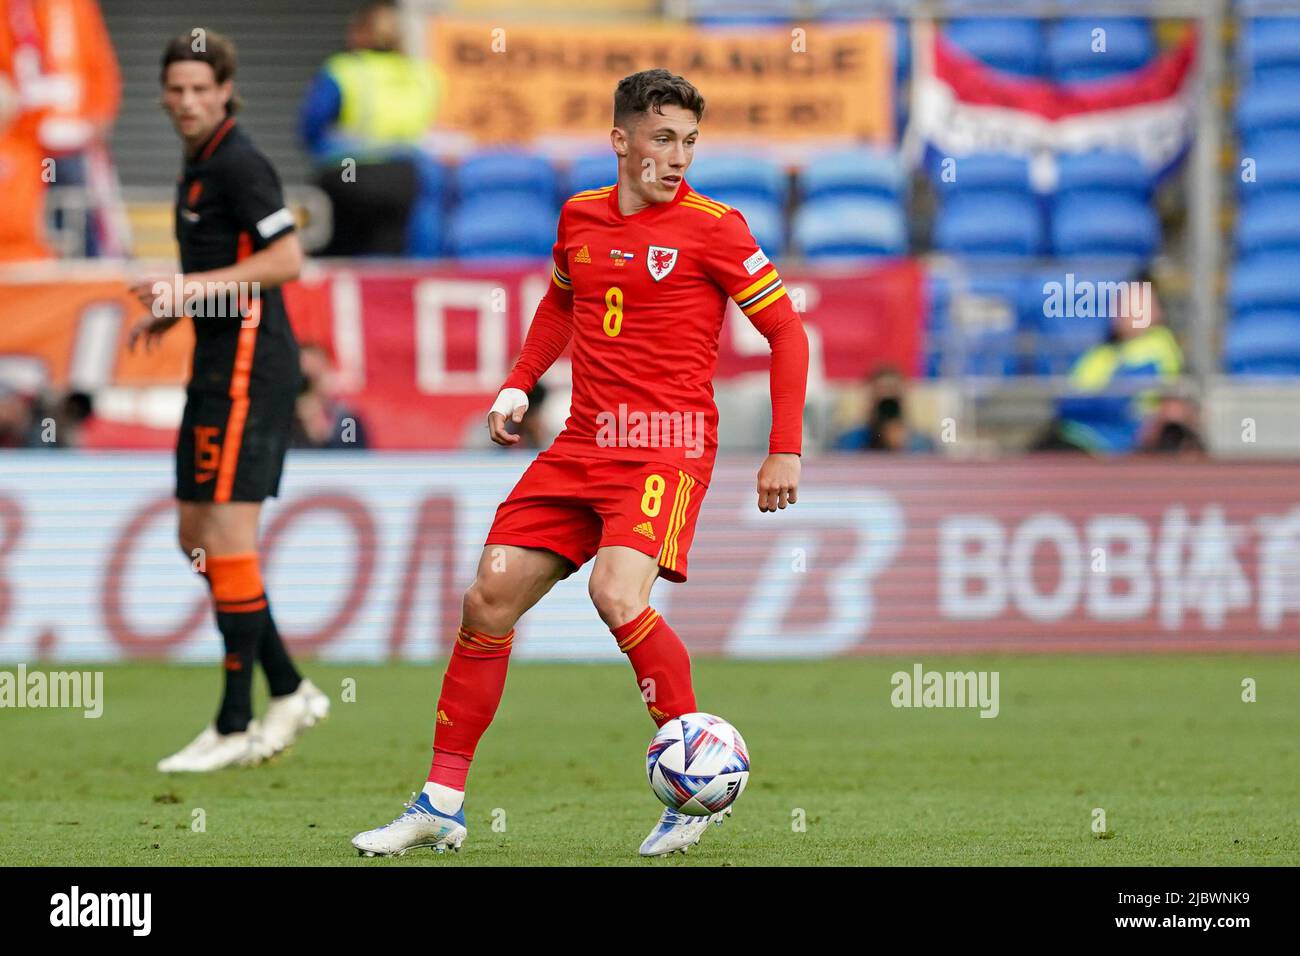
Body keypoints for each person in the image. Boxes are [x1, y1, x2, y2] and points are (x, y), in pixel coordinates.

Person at [351, 69, 809, 859]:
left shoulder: (717, 228)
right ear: (621, 140)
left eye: (690, 142)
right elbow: (562, 302)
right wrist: (517, 385)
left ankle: (698, 785)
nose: (678, 157)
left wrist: (785, 448)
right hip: (581, 444)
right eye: (663, 138)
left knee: (614, 591)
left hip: (666, 445)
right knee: (487, 599)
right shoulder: (579, 216)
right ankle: (442, 802)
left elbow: (787, 334)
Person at [126, 31, 328, 773]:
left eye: (199, 89)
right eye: (175, 88)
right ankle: (291, 686)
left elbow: (286, 259)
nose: (185, 101)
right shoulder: (198, 161)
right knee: (195, 536)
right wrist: (174, 309)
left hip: (251, 370)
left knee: (227, 535)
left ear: (224, 92)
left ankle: (235, 720)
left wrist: (188, 291)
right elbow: (224, 268)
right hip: (214, 366)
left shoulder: (241, 161)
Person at [299, 0, 439, 256]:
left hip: (351, 173)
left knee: (337, 253)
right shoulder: (421, 73)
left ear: (361, 33)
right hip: (404, 177)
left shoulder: (345, 69)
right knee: (387, 256)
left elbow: (311, 126)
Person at [1031, 273, 1183, 454]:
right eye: (1124, 303)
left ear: (1157, 311)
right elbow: (1065, 402)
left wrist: (1088, 403)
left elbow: (1117, 401)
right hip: (1073, 434)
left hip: (1113, 442)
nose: (1130, 311)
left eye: (1139, 305)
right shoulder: (1100, 353)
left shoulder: (1159, 347)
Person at [833, 365, 934, 453]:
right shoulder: (849, 441)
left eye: (892, 393)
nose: (887, 400)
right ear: (870, 399)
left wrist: (902, 447)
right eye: (880, 392)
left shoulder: (922, 443)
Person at [289, 342, 369, 449]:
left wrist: (325, 432)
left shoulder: (347, 421)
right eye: (304, 380)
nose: (310, 386)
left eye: (315, 378)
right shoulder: (282, 421)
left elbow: (353, 458)